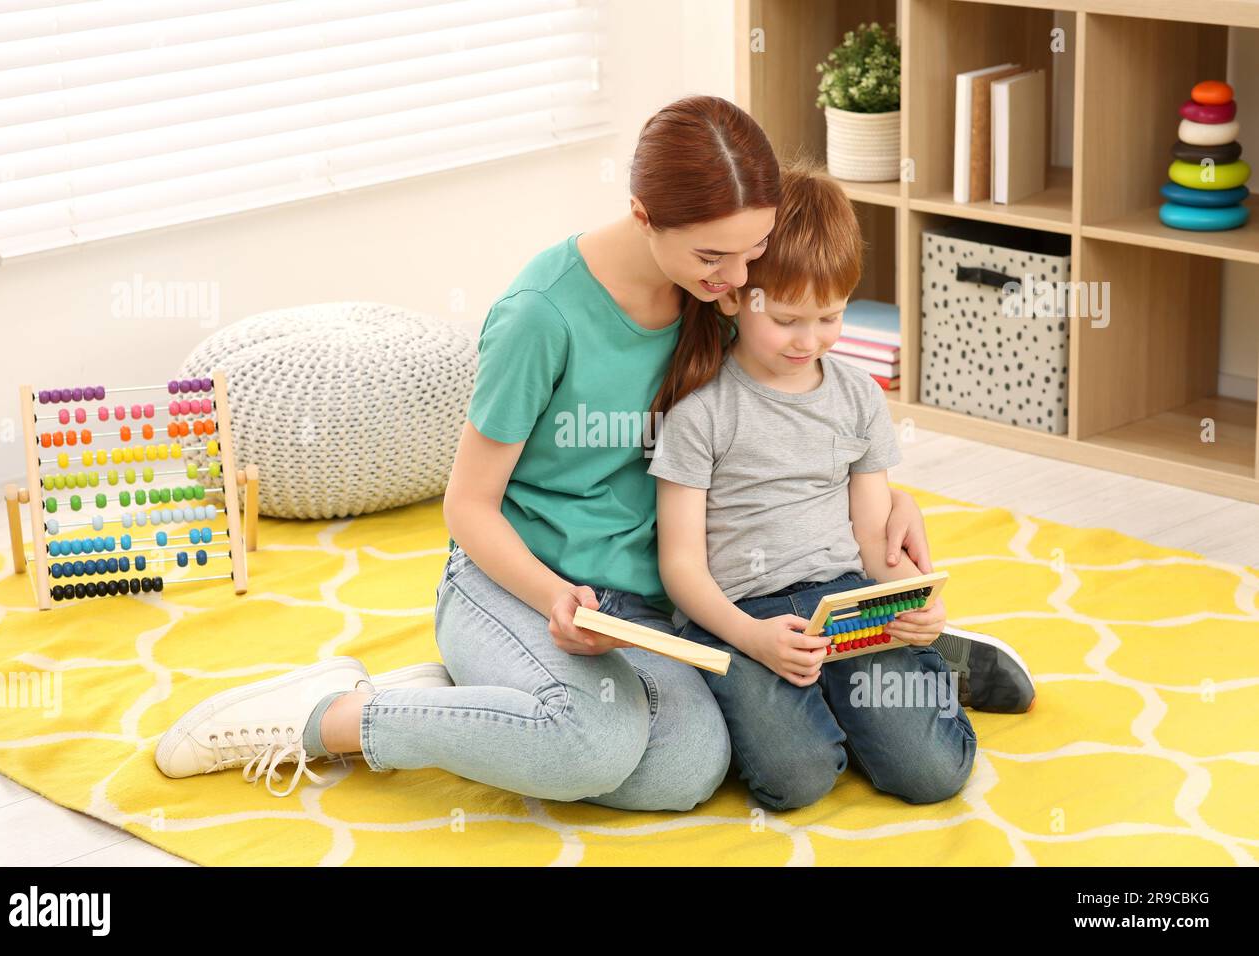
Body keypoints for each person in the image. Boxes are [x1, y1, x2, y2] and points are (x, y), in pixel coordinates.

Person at [154, 97, 939, 805]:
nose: (740, 281)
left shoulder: (721, 292)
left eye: (753, 249)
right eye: (714, 258)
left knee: (689, 770)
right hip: (517, 584)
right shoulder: (541, 315)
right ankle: (330, 717)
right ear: (642, 214)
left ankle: (478, 703)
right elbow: (467, 507)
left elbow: (788, 426)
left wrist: (889, 503)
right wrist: (551, 597)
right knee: (592, 747)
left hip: (647, 609)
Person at [647, 160, 1032, 811]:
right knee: (795, 781)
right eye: (790, 319)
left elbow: (875, 535)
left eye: (830, 317)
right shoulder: (700, 410)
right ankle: (844, 701)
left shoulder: (856, 394)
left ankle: (942, 658)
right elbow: (680, 565)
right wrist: (749, 637)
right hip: (741, 619)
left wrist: (908, 608)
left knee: (933, 775)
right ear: (737, 295)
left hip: (848, 604)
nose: (810, 340)